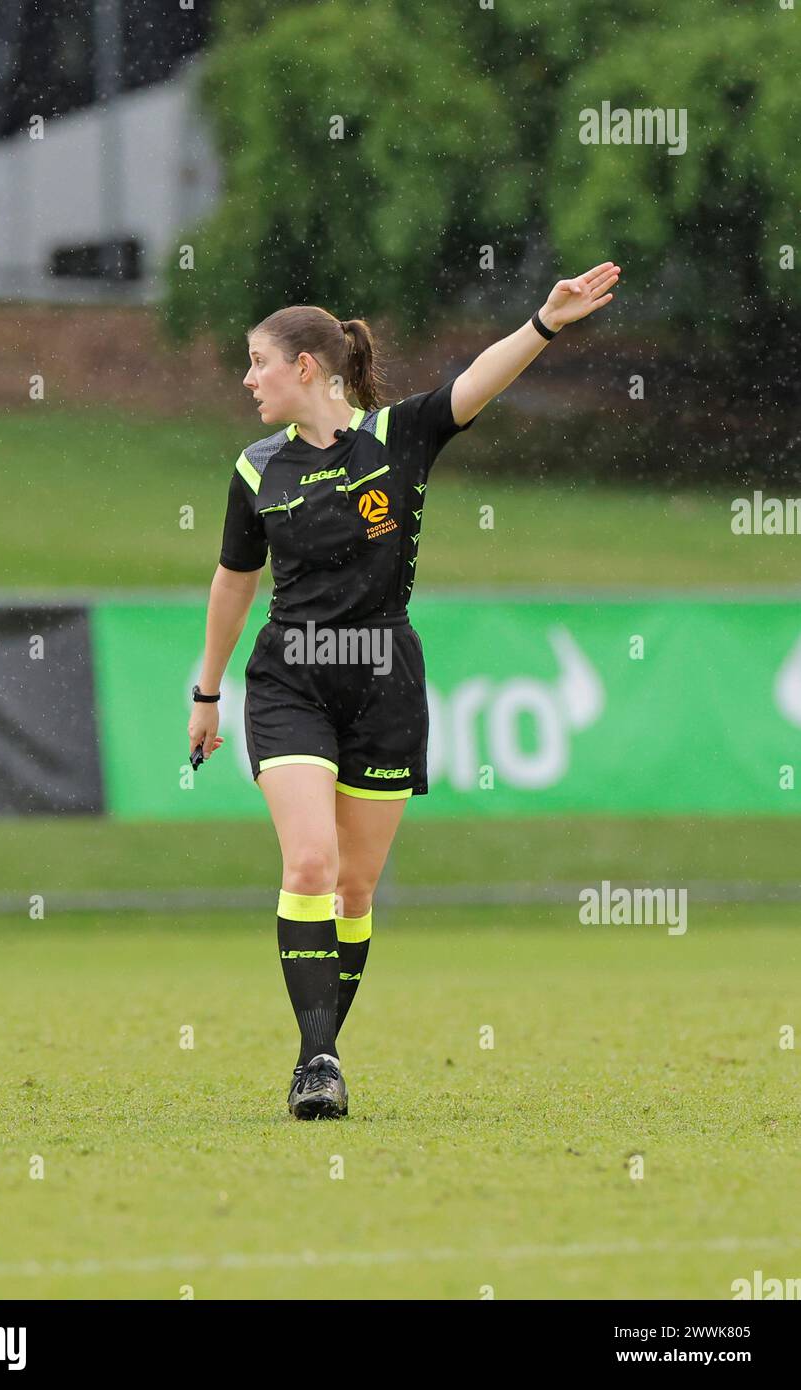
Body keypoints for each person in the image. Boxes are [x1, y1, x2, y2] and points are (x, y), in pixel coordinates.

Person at [189, 264, 620, 1119]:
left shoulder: (397, 436)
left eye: (257, 362)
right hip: (291, 678)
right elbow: (235, 581)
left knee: (354, 888)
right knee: (308, 862)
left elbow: (476, 382)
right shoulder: (254, 468)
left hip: (384, 680)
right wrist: (208, 694)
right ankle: (318, 1062)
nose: (247, 379)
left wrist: (545, 321)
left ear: (306, 366)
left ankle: (323, 1049)